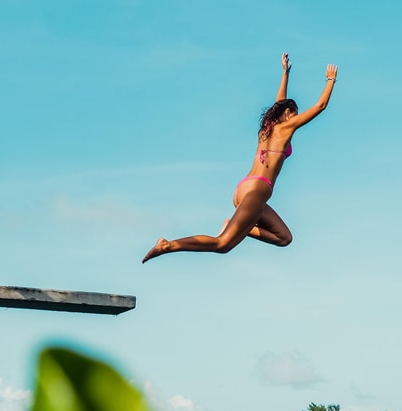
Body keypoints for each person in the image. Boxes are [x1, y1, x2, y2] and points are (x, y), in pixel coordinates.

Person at [142, 53, 337, 263]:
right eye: (295, 113)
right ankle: (168, 245)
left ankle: (239, 226)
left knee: (284, 238)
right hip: (257, 190)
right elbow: (320, 107)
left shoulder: (267, 130)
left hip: (247, 189)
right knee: (222, 244)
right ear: (289, 114)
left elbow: (279, 102)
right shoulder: (286, 127)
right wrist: (330, 80)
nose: (297, 118)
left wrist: (285, 74)